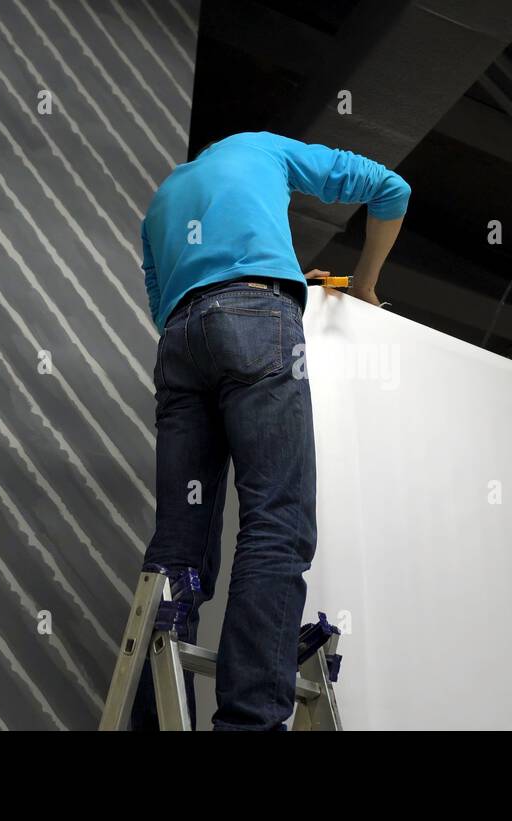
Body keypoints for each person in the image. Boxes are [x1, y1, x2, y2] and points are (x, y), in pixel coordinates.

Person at [130, 131, 410, 730]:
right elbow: (391, 189)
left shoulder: (162, 199)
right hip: (258, 320)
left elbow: (168, 305)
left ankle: (151, 717)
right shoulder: (262, 147)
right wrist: (360, 287)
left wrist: (276, 273)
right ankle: (251, 722)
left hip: (180, 346)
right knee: (276, 526)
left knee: (178, 547)